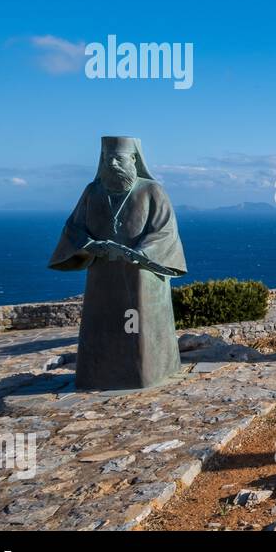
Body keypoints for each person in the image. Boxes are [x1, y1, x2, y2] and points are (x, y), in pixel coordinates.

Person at [49, 137, 187, 389]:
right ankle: (98, 376)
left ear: (133, 159)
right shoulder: (92, 192)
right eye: (106, 158)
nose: (111, 163)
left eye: (118, 158)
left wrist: (142, 252)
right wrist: (90, 245)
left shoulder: (152, 190)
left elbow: (165, 231)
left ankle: (146, 373)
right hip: (102, 273)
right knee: (102, 323)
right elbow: (73, 229)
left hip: (140, 274)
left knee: (135, 328)